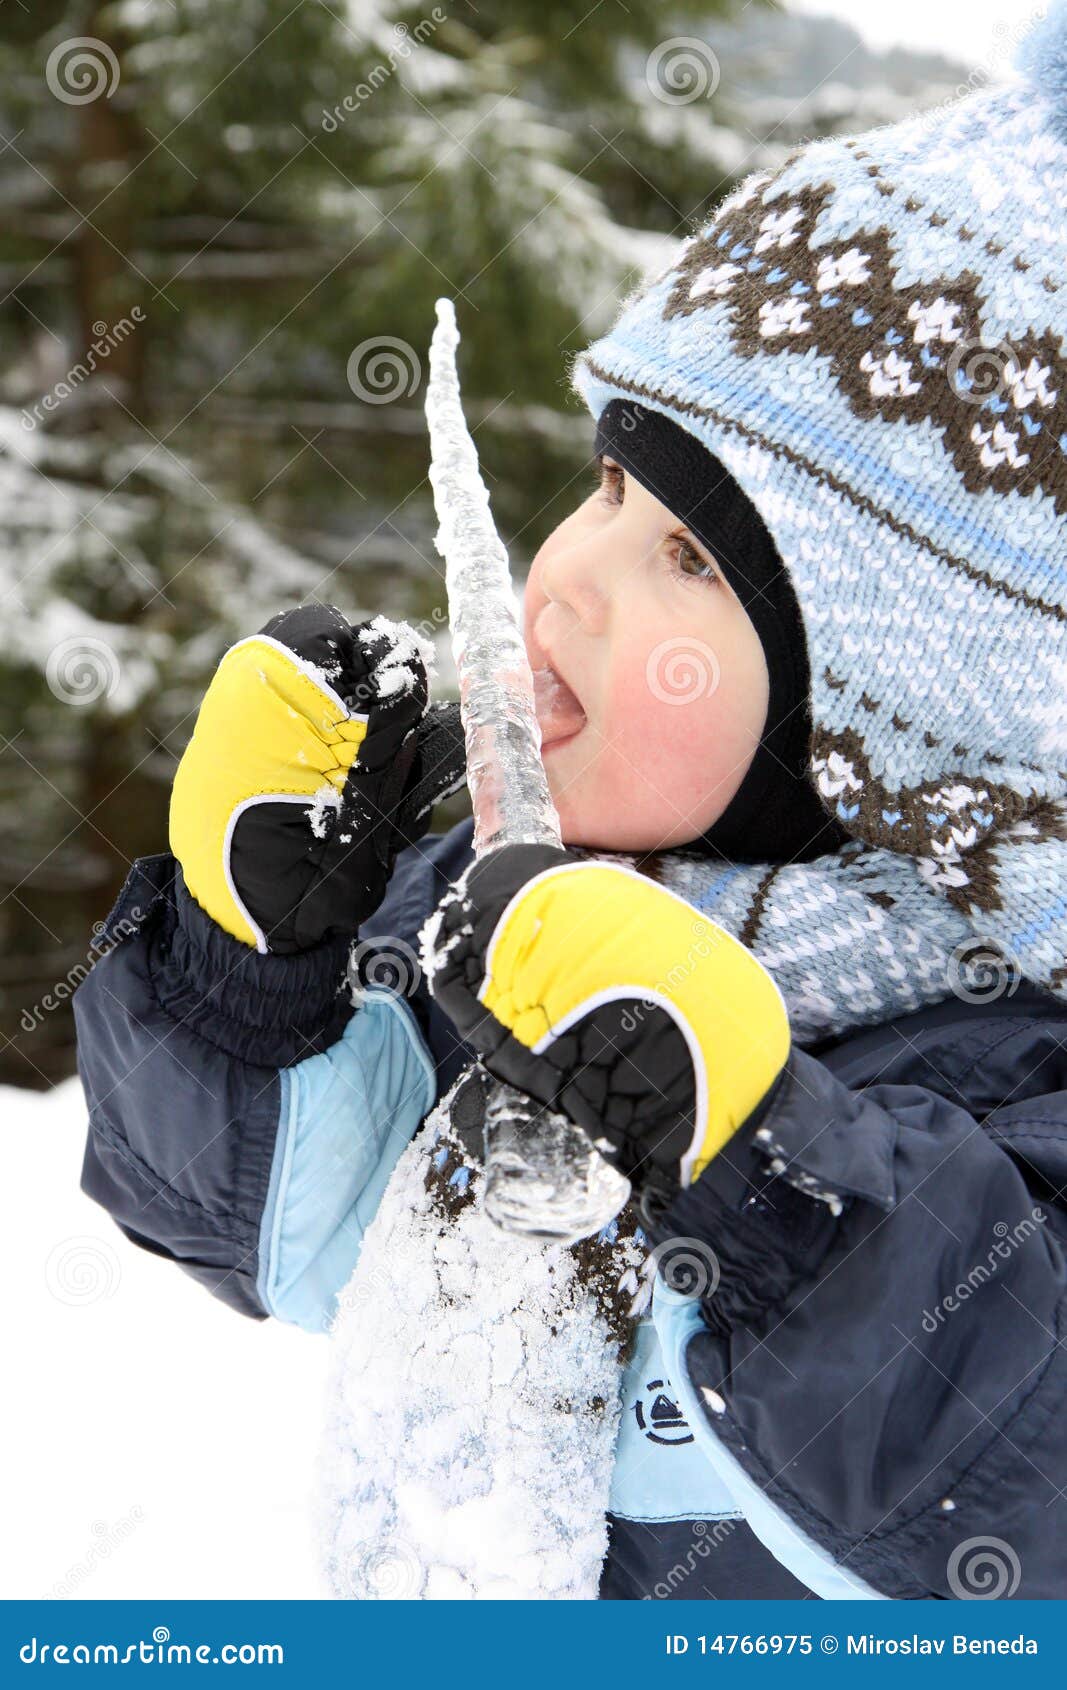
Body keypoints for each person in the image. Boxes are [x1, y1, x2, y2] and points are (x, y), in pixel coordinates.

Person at [75, 5, 1067, 1599]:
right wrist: (251, 973)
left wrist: (767, 1166)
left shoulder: (1016, 1045)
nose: (575, 575)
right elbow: (284, 1241)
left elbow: (1009, 1506)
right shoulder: (512, 900)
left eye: (689, 557)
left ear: (911, 717)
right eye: (610, 487)